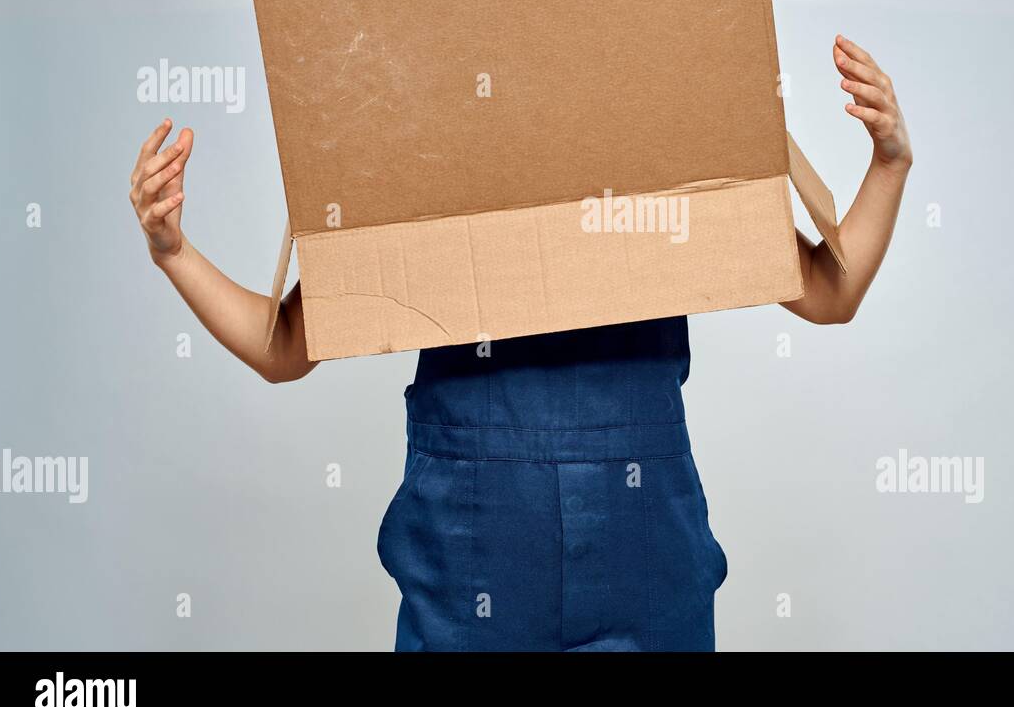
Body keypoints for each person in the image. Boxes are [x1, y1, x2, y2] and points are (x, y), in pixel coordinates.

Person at [129, 34, 912, 651]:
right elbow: (284, 347)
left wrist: (888, 163)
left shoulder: (667, 168)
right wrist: (174, 251)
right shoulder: (429, 187)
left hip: (644, 565)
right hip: (471, 569)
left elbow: (832, 293)